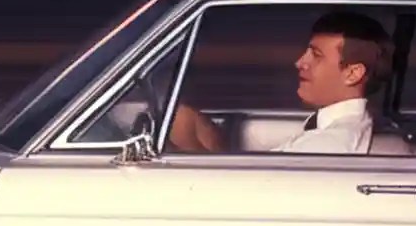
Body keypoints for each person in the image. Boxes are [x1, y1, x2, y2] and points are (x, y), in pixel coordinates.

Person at [168, 10, 394, 154]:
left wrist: (182, 146)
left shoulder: (329, 146)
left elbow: (245, 193)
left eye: (316, 55)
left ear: (352, 73)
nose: (300, 62)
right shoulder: (331, 134)